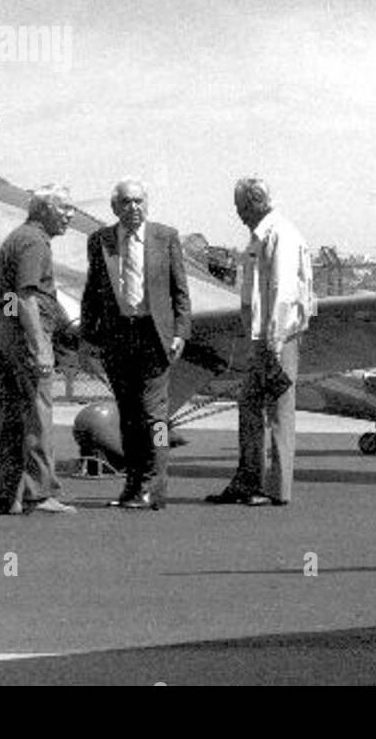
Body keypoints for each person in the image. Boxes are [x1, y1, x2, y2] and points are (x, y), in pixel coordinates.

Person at [81, 178, 191, 510]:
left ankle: (154, 486)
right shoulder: (100, 241)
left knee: (154, 417)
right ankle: (132, 485)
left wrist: (181, 333)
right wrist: (88, 339)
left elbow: (180, 292)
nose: (134, 207)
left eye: (139, 201)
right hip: (117, 338)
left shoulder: (166, 237)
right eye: (127, 202)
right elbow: (92, 294)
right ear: (115, 207)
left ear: (147, 204)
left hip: (154, 336)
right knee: (128, 416)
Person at [206, 178, 312, 507]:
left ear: (254, 204)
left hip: (276, 336)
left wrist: (275, 339)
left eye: (240, 207)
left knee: (279, 408)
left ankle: (277, 489)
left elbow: (283, 291)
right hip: (263, 337)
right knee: (250, 403)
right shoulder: (262, 235)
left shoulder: (280, 234)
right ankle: (248, 480)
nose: (238, 214)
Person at [0, 184, 77, 515]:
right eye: (64, 207)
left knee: (9, 415)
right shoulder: (35, 242)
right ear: (42, 209)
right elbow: (26, 297)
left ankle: (5, 495)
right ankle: (39, 494)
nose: (70, 214)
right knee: (38, 415)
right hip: (23, 334)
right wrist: (40, 347)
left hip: (3, 328)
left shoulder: (16, 237)